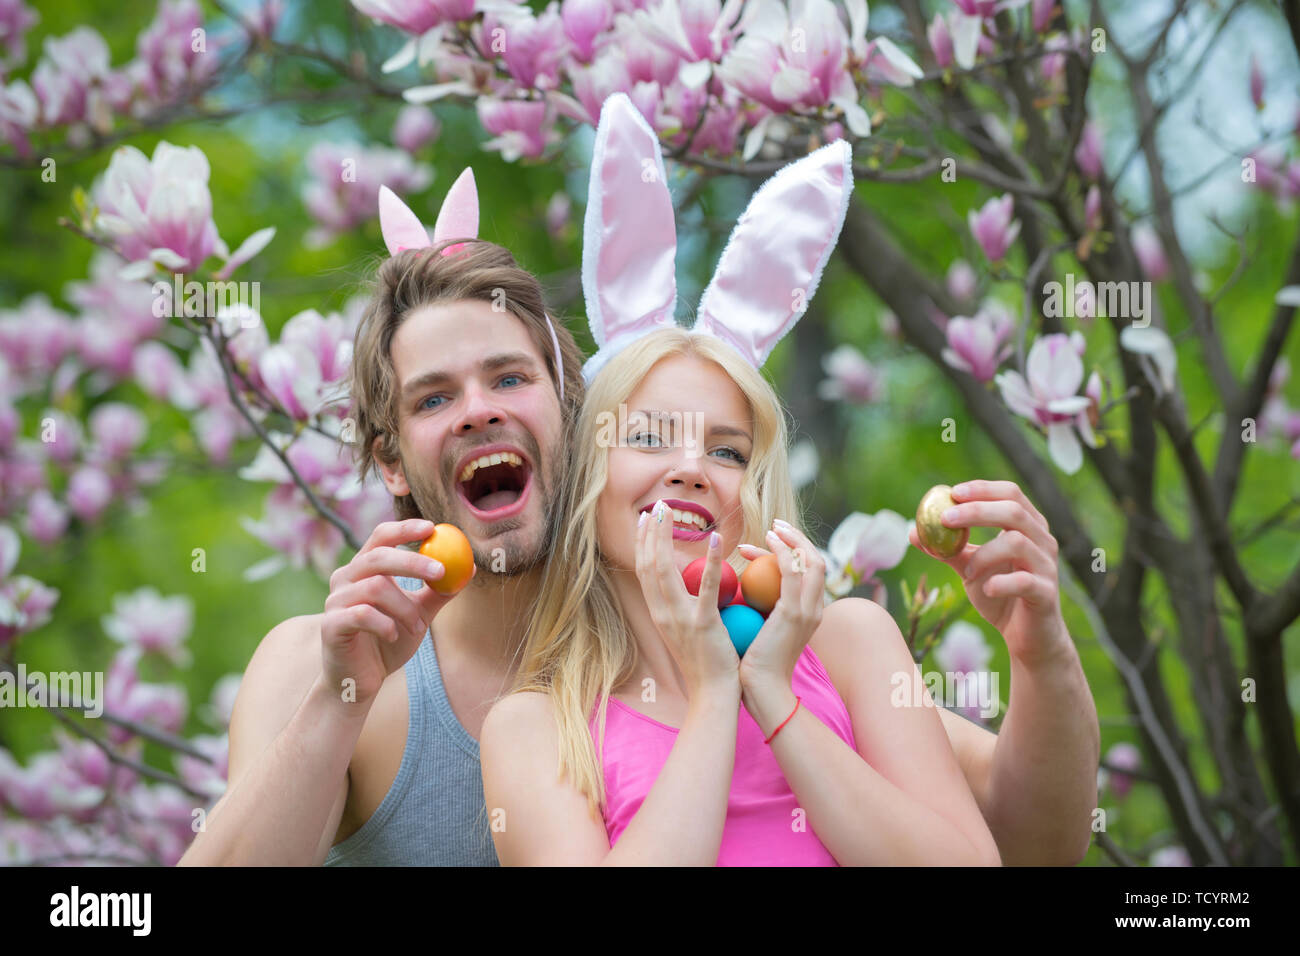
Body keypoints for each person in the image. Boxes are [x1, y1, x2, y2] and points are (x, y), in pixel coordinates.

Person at [181, 111, 1095, 867]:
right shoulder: (336, 667)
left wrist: (1043, 655)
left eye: (508, 379)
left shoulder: (725, 635)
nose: (476, 413)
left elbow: (1023, 844)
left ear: (576, 416)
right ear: (389, 459)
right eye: (432, 398)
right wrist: (341, 699)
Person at [478, 95, 1097, 865]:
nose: (691, 468)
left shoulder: (843, 646)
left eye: (728, 452)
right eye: (646, 436)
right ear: (584, 476)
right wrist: (712, 700)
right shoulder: (538, 726)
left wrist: (773, 698)